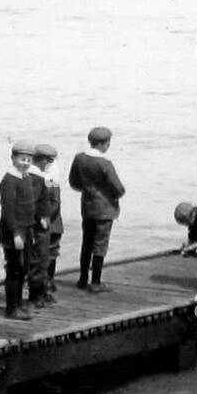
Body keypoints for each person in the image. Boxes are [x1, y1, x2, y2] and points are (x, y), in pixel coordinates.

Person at [68, 126, 125, 293]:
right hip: (105, 208)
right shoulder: (105, 163)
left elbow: (73, 182)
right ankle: (96, 282)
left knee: (86, 243)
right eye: (108, 143)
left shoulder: (79, 158)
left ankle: (83, 278)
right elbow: (118, 188)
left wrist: (87, 190)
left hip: (87, 206)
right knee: (100, 244)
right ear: (103, 144)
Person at [0, 143, 38, 320]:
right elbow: (8, 210)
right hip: (14, 231)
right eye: (22, 159)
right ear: (13, 158)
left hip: (27, 229)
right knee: (14, 269)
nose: (25, 162)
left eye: (29, 160)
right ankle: (11, 308)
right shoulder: (9, 180)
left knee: (24, 268)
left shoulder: (26, 177)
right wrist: (15, 233)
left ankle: (19, 304)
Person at [29, 143, 63, 304]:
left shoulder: (50, 176)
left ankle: (47, 285)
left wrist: (47, 217)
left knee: (51, 255)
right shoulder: (35, 176)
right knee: (42, 257)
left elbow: (55, 200)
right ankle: (41, 290)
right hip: (43, 223)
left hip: (52, 222)